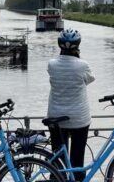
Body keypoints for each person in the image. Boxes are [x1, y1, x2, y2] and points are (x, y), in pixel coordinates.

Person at [46, 28, 95, 181]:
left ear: (59, 45)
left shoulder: (52, 64)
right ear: (78, 45)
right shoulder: (83, 65)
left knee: (58, 160)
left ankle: (57, 178)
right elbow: (89, 80)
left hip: (56, 118)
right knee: (77, 159)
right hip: (79, 119)